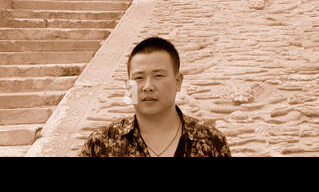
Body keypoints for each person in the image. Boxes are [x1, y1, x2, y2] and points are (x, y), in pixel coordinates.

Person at [80, 36, 231, 157]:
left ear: (178, 82)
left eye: (158, 75)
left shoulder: (210, 142)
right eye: (138, 78)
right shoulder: (101, 145)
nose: (148, 86)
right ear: (128, 87)